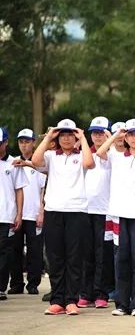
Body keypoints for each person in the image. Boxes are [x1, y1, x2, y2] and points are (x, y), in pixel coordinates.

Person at [96, 119, 135, 316]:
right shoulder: (116, 156)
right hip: (119, 214)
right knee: (121, 258)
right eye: (130, 134)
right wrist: (116, 135)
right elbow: (99, 153)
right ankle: (122, 304)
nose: (133, 138)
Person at [32, 120, 95, 315]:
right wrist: (49, 136)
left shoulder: (81, 155)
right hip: (54, 210)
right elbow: (35, 161)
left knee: (74, 258)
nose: (66, 138)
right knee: (55, 257)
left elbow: (89, 163)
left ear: (75, 137)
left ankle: (71, 301)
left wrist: (83, 137)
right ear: (58, 138)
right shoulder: (51, 156)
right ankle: (57, 299)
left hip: (77, 211)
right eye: (63, 135)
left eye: (70, 134)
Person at [80, 117, 114, 309]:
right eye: (94, 133)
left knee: (103, 254)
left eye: (102, 132)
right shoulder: (84, 153)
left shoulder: (114, 155)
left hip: (106, 211)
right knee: (87, 254)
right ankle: (86, 293)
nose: (98, 136)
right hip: (86, 210)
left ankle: (102, 292)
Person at [7, 129, 45, 296]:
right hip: (17, 215)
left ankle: (33, 283)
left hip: (34, 213)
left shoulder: (40, 163)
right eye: (21, 142)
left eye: (27, 141)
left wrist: (41, 211)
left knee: (34, 251)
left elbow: (44, 188)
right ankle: (16, 283)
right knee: (14, 250)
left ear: (34, 143)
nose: (24, 145)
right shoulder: (13, 163)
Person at [0, 127, 28, 301]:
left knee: (4, 251)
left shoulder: (13, 163)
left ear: (6, 142)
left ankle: (1, 287)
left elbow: (19, 190)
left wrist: (19, 214)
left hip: (6, 215)